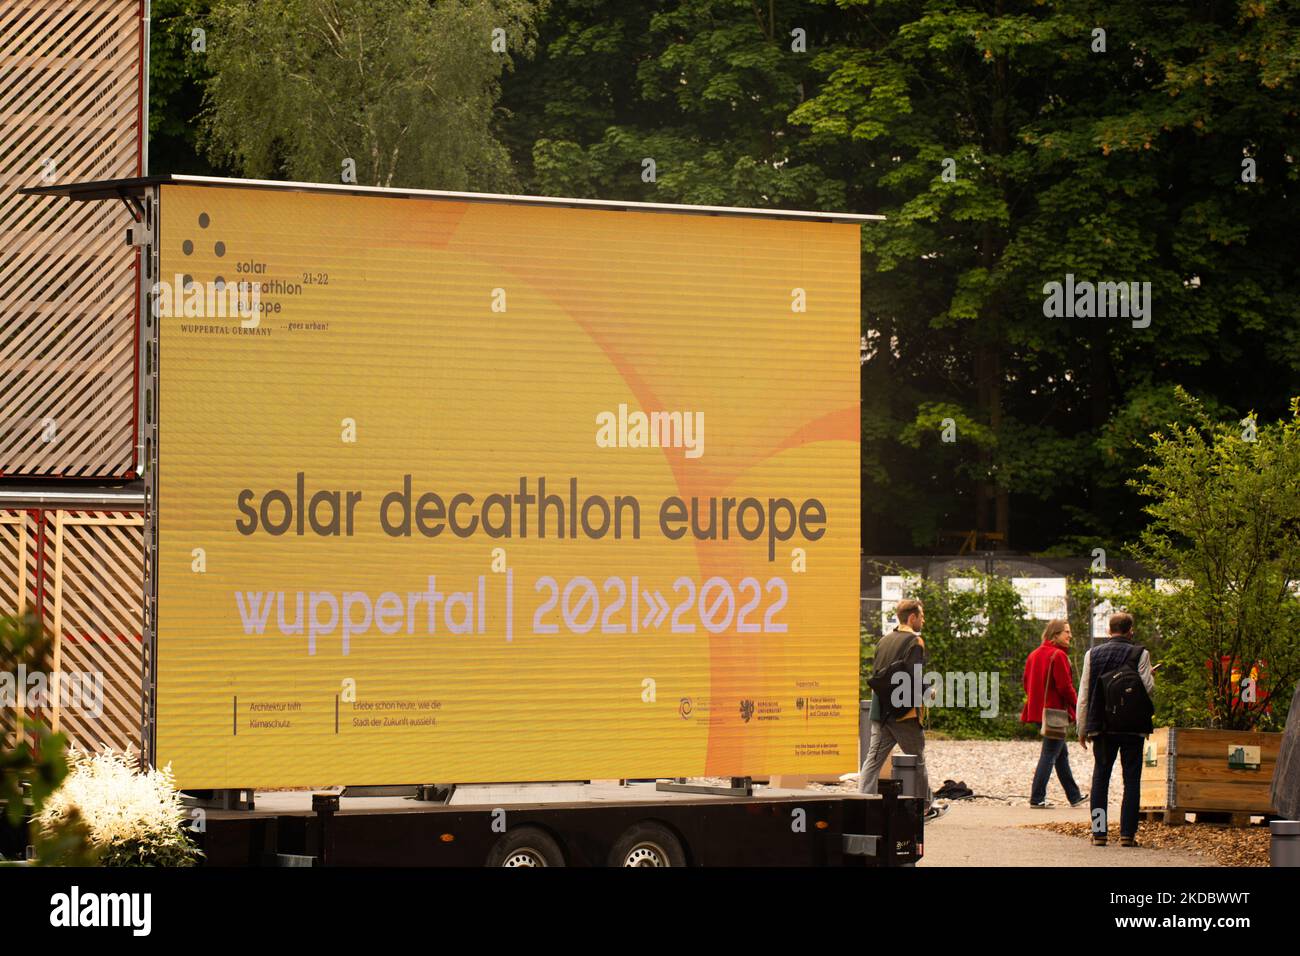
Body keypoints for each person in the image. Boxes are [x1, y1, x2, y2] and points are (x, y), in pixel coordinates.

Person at [858, 598, 949, 821]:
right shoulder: (915, 642)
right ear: (912, 618)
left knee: (873, 760)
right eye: (922, 616)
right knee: (917, 759)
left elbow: (880, 674)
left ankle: (862, 803)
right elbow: (913, 675)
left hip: (881, 711)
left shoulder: (884, 640)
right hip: (903, 714)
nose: (923, 620)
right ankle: (926, 808)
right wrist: (929, 691)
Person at [1076, 611, 1155, 847]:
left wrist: (1082, 727)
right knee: (1131, 780)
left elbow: (1084, 693)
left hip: (1102, 726)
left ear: (1109, 631)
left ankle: (1099, 833)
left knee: (1101, 777)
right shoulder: (1141, 653)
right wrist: (1149, 676)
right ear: (1131, 630)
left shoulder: (1093, 654)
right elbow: (1148, 690)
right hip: (1132, 726)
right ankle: (1127, 835)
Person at [1021, 619, 1087, 809]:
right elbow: (1065, 687)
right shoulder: (1058, 655)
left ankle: (1074, 796)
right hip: (1054, 713)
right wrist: (1079, 706)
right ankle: (1037, 798)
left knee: (1061, 754)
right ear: (1055, 635)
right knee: (1050, 753)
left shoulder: (1033, 655)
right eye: (1066, 631)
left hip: (1038, 711)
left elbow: (1026, 682)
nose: (1070, 635)